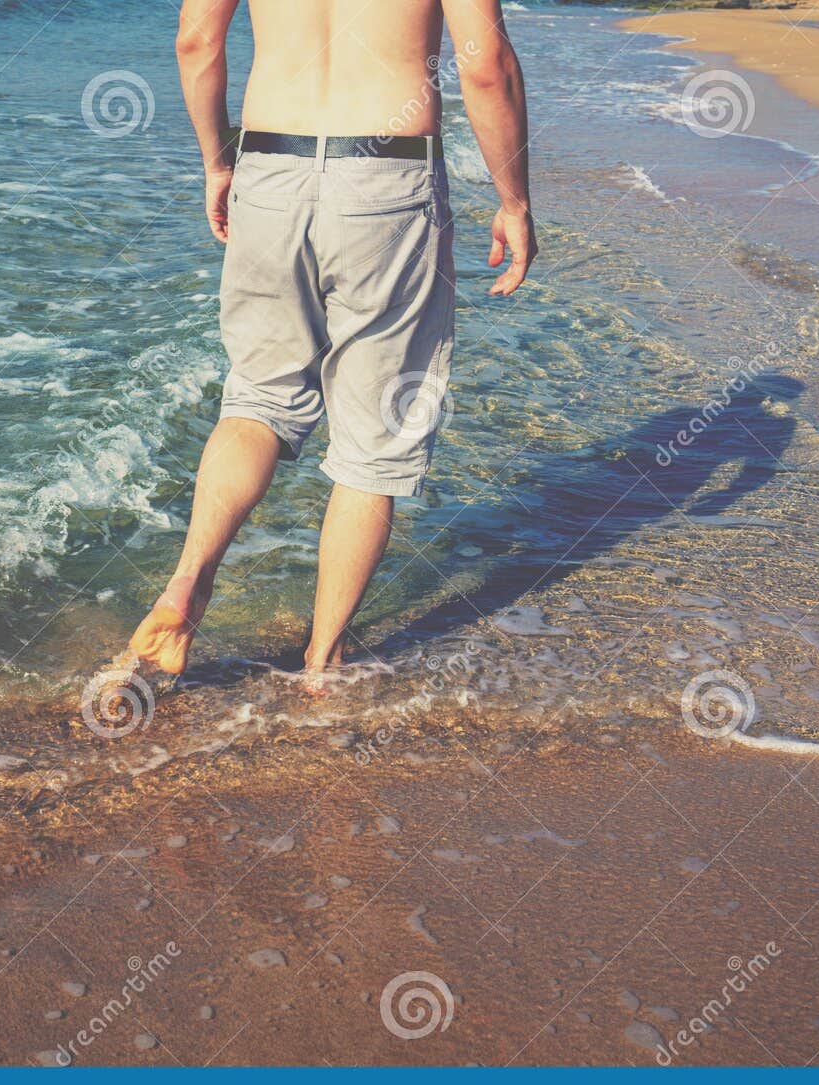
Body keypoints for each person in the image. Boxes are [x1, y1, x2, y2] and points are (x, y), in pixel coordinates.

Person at [122, 0, 534, 683]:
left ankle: (188, 579)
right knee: (373, 438)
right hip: (387, 179)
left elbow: (196, 42)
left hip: (269, 170)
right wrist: (513, 201)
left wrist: (217, 163)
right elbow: (486, 66)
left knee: (257, 398)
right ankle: (322, 661)